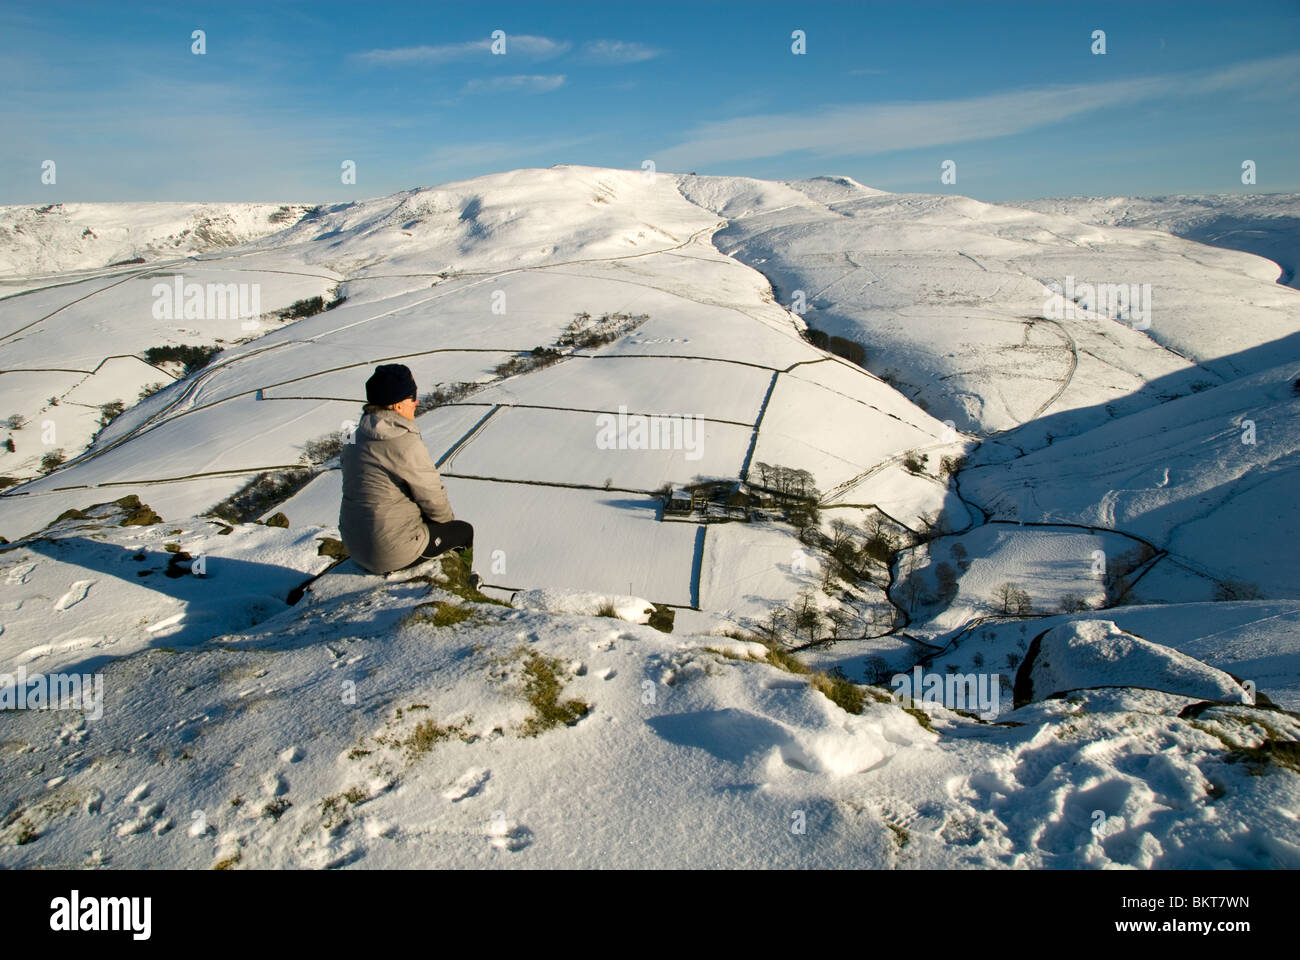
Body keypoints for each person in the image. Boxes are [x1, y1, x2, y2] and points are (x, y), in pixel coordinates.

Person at [338, 363, 476, 578]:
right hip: (390, 552)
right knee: (462, 532)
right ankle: (463, 582)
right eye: (412, 398)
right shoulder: (403, 441)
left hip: (354, 545)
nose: (417, 402)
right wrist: (446, 525)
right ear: (397, 405)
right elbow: (431, 495)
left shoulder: (354, 436)